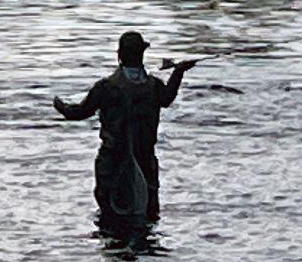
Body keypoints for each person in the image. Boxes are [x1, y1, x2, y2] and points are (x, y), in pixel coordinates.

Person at [52, 31, 196, 224]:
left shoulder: (106, 87)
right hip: (144, 158)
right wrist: (178, 72)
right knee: (147, 214)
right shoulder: (153, 86)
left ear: (119, 55)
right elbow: (167, 98)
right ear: (141, 54)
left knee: (110, 216)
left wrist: (61, 106)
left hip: (112, 159)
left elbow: (79, 112)